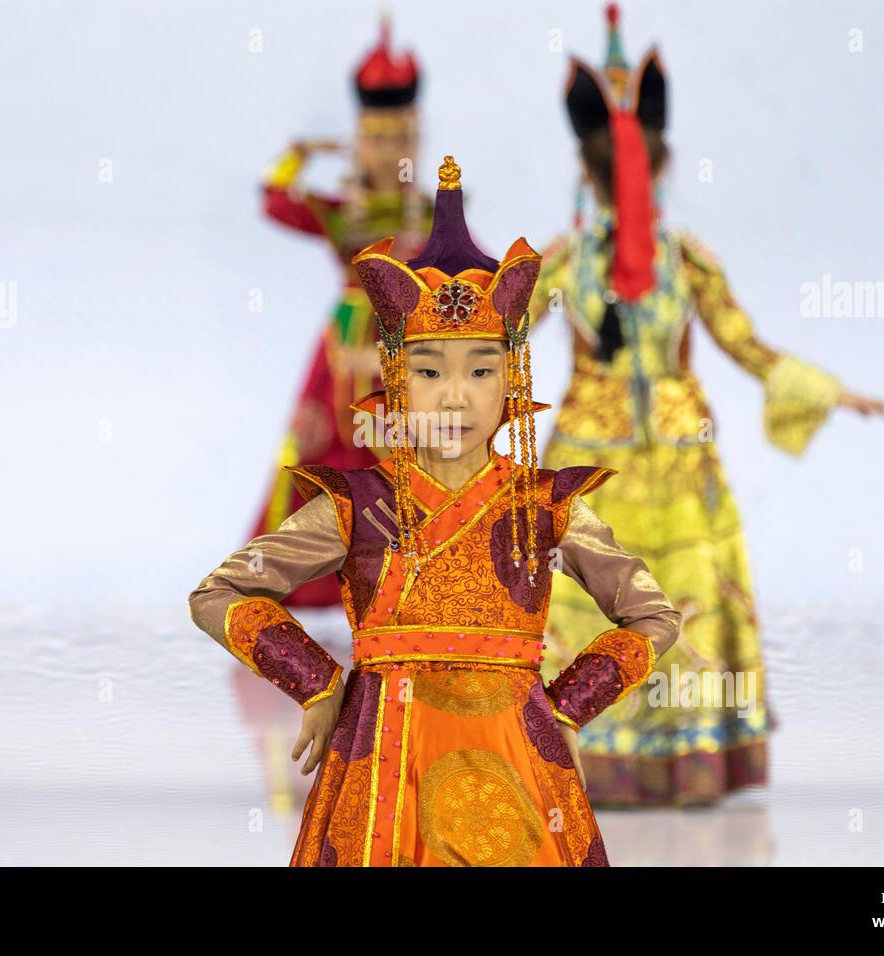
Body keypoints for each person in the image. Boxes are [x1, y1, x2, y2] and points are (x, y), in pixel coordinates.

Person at [189, 157, 682, 866]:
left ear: (512, 381)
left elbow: (654, 615)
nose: (455, 396)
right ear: (393, 382)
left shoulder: (545, 508)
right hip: (381, 771)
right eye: (429, 371)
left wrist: (569, 706)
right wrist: (318, 681)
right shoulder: (357, 508)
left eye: (481, 370)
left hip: (516, 772)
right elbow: (219, 592)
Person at [529, 4, 884, 807]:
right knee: (621, 593)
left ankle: (645, 756)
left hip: (643, 457)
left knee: (645, 597)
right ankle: (625, 759)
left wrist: (829, 392)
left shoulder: (637, 260)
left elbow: (742, 343)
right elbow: (500, 328)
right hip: (629, 458)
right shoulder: (609, 262)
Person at [249, 15, 432, 608]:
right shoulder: (343, 212)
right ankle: (301, 579)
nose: (390, 151)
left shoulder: (431, 214)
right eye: (376, 138)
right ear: (359, 141)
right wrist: (301, 153)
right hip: (344, 346)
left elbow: (468, 274)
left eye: (401, 137)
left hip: (406, 349)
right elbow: (275, 203)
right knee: (320, 453)